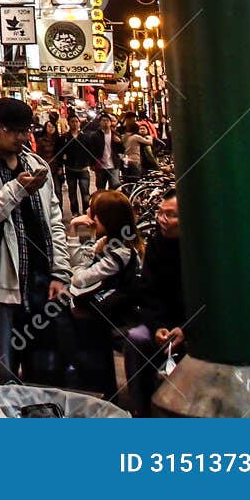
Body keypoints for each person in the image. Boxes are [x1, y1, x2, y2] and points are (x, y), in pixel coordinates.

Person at [0, 97, 72, 385]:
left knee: (42, 370)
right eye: (12, 130)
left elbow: (53, 221)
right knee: (3, 367)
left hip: (41, 282)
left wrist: (60, 272)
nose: (21, 137)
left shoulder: (37, 164)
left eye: (25, 130)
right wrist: (16, 189)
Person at [65, 190, 142, 399]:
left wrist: (77, 268)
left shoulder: (120, 252)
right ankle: (92, 383)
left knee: (78, 321)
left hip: (118, 315)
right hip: (108, 308)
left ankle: (96, 387)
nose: (90, 216)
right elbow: (81, 264)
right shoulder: (107, 241)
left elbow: (80, 278)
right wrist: (75, 230)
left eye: (94, 212)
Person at [122, 190, 185, 416]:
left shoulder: (201, 250)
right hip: (161, 323)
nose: (162, 219)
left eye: (171, 215)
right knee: (136, 339)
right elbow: (148, 293)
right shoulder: (157, 244)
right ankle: (141, 411)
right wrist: (157, 326)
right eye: (160, 213)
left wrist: (185, 329)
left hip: (192, 327)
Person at [86, 112, 120, 190]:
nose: (105, 122)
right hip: (100, 166)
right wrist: (92, 164)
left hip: (113, 166)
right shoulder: (95, 135)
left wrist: (119, 142)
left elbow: (122, 150)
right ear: (100, 122)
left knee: (114, 188)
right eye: (103, 120)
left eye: (107, 120)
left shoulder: (115, 134)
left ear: (110, 123)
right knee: (100, 188)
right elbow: (91, 150)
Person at [119, 117, 154, 184]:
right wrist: (150, 137)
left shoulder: (124, 137)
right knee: (135, 180)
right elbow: (149, 142)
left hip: (125, 160)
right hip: (134, 161)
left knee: (127, 180)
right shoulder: (135, 137)